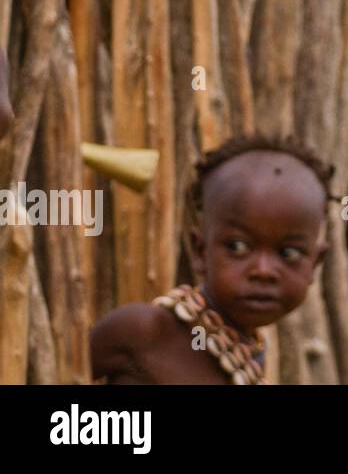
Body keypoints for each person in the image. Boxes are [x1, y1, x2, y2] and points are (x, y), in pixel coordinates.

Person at [90, 136, 330, 384]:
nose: (263, 270)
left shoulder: (249, 353)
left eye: (288, 253)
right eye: (238, 247)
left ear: (315, 262)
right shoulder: (143, 331)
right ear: (200, 251)